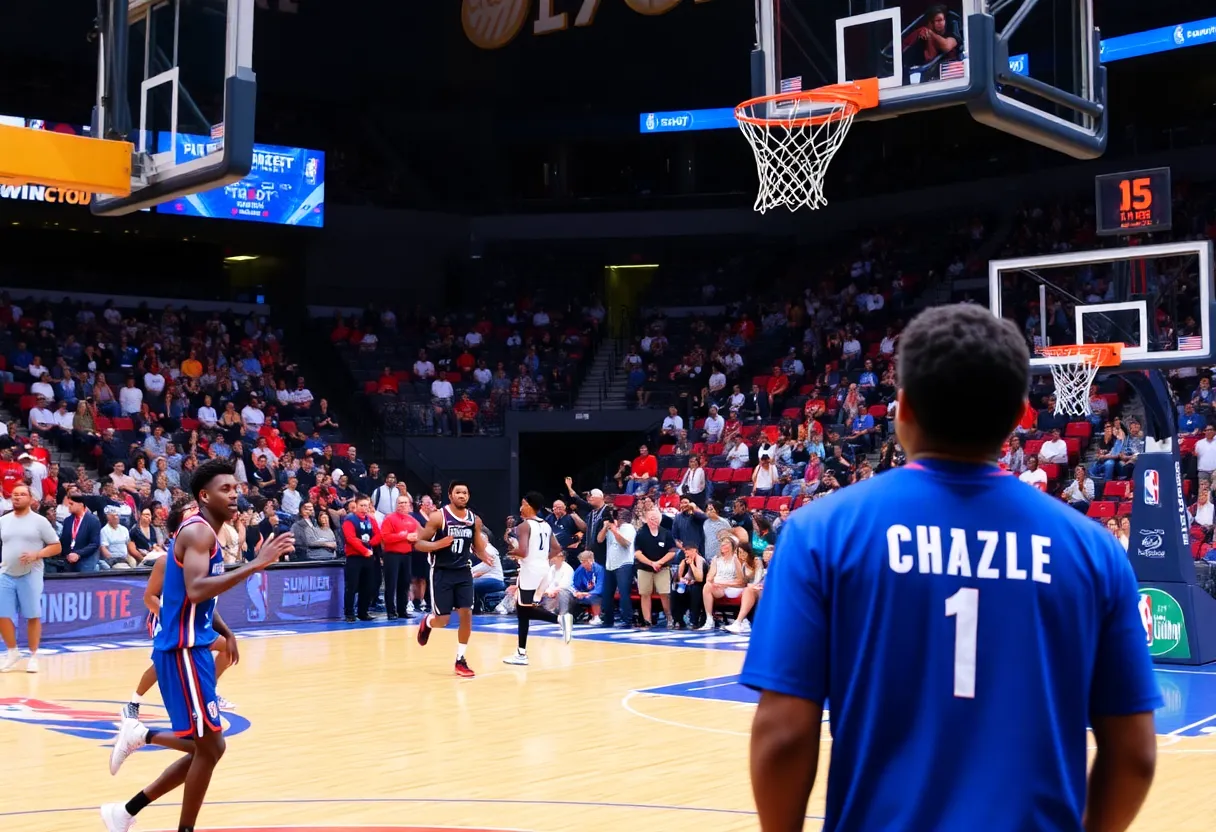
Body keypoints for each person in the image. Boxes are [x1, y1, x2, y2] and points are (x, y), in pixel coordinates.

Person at [743, 304, 1159, 832]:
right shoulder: (1094, 551)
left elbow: (782, 736)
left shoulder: (819, 533)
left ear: (902, 408)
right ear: (1016, 419)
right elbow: (1136, 754)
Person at [102, 459, 295, 832]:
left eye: (236, 488)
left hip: (196, 647)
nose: (235, 494)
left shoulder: (209, 533)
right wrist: (255, 565)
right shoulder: (199, 534)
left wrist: (226, 631)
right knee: (209, 748)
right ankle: (141, 736)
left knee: (210, 749)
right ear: (204, 495)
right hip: (182, 651)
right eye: (226, 489)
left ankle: (125, 811)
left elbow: (199, 599)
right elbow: (195, 589)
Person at [413, 480, 495, 677]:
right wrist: (438, 544)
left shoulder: (474, 520)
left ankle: (461, 659)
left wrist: (484, 555)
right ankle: (428, 622)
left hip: (463, 572)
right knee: (443, 620)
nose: (462, 495)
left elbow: (477, 546)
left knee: (466, 613)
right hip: (442, 572)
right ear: (450, 495)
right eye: (458, 492)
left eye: (465, 492)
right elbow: (419, 544)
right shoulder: (438, 517)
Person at [503, 492, 574, 666]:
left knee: (524, 610)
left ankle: (560, 619)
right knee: (523, 610)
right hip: (544, 570)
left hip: (530, 571)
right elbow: (557, 548)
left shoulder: (525, 526)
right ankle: (521, 653)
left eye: (522, 503)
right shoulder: (546, 525)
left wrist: (511, 553)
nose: (520, 507)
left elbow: (523, 552)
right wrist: (541, 557)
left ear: (528, 505)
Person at [0, 484, 62, 673]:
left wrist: (37, 554)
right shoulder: (3, 520)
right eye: (14, 494)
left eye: (21, 494)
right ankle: (12, 652)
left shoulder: (40, 521)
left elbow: (56, 546)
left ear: (30, 498)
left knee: (32, 615)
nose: (17, 497)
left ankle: (33, 655)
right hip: (6, 573)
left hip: (31, 572)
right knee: (2, 614)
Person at [379, 494, 420, 621]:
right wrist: (403, 536)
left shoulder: (412, 520)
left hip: (407, 555)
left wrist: (414, 539)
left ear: (409, 505)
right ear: (396, 505)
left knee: (405, 583)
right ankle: (391, 611)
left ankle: (402, 610)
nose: (402, 505)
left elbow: (416, 536)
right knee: (391, 584)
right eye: (400, 503)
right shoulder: (389, 519)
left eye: (405, 503)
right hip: (392, 555)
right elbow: (385, 537)